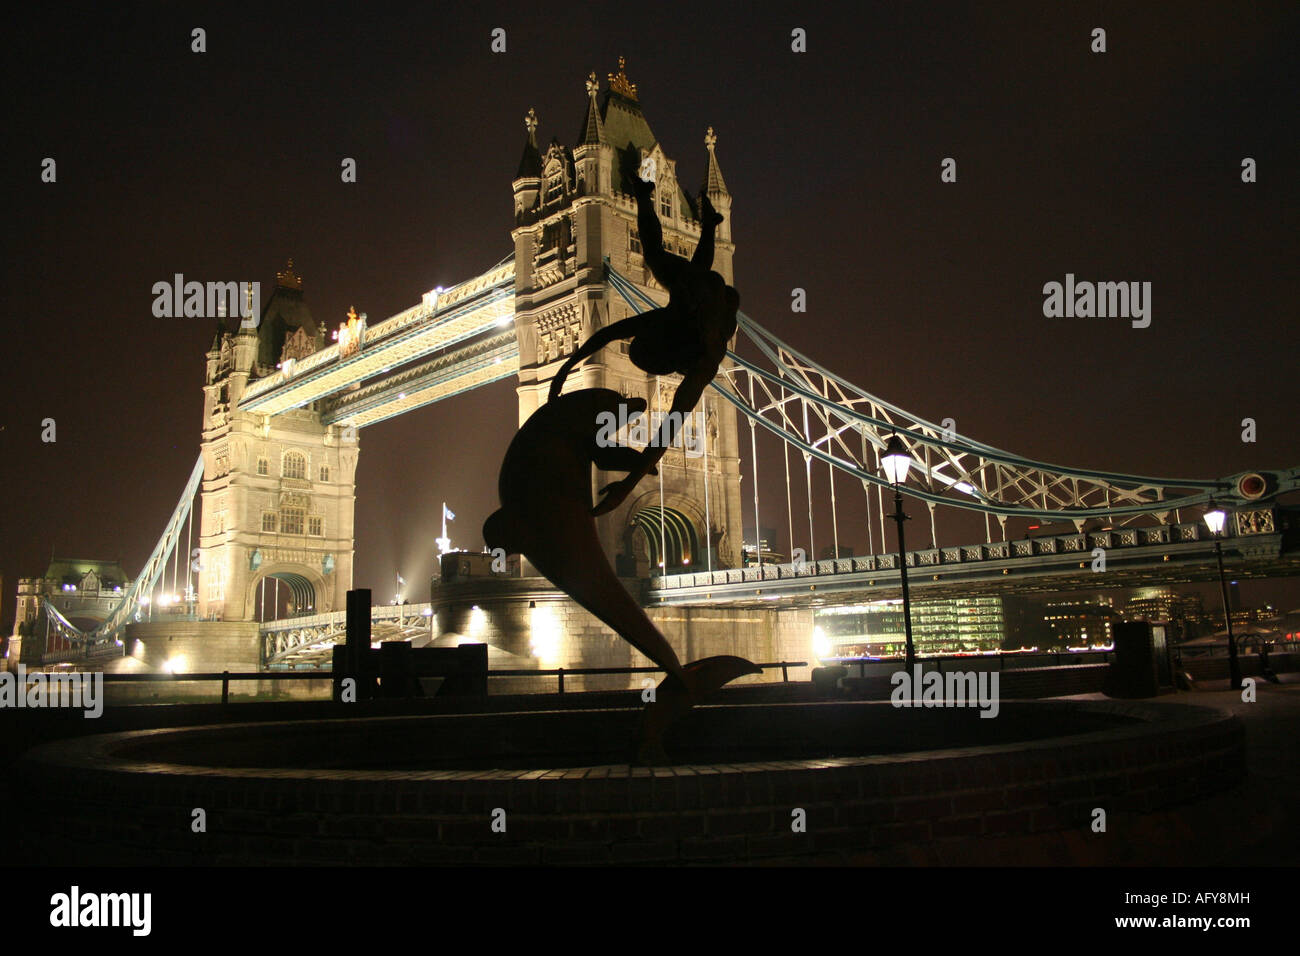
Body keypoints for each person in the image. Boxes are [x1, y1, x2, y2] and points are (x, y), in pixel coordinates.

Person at [548, 148, 739, 516]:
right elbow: (606, 336)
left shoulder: (690, 349)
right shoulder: (697, 354)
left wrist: (564, 367)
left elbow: (667, 427)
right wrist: (565, 369)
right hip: (705, 297)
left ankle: (694, 217)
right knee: (661, 257)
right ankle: (694, 216)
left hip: (705, 296)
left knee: (659, 257)